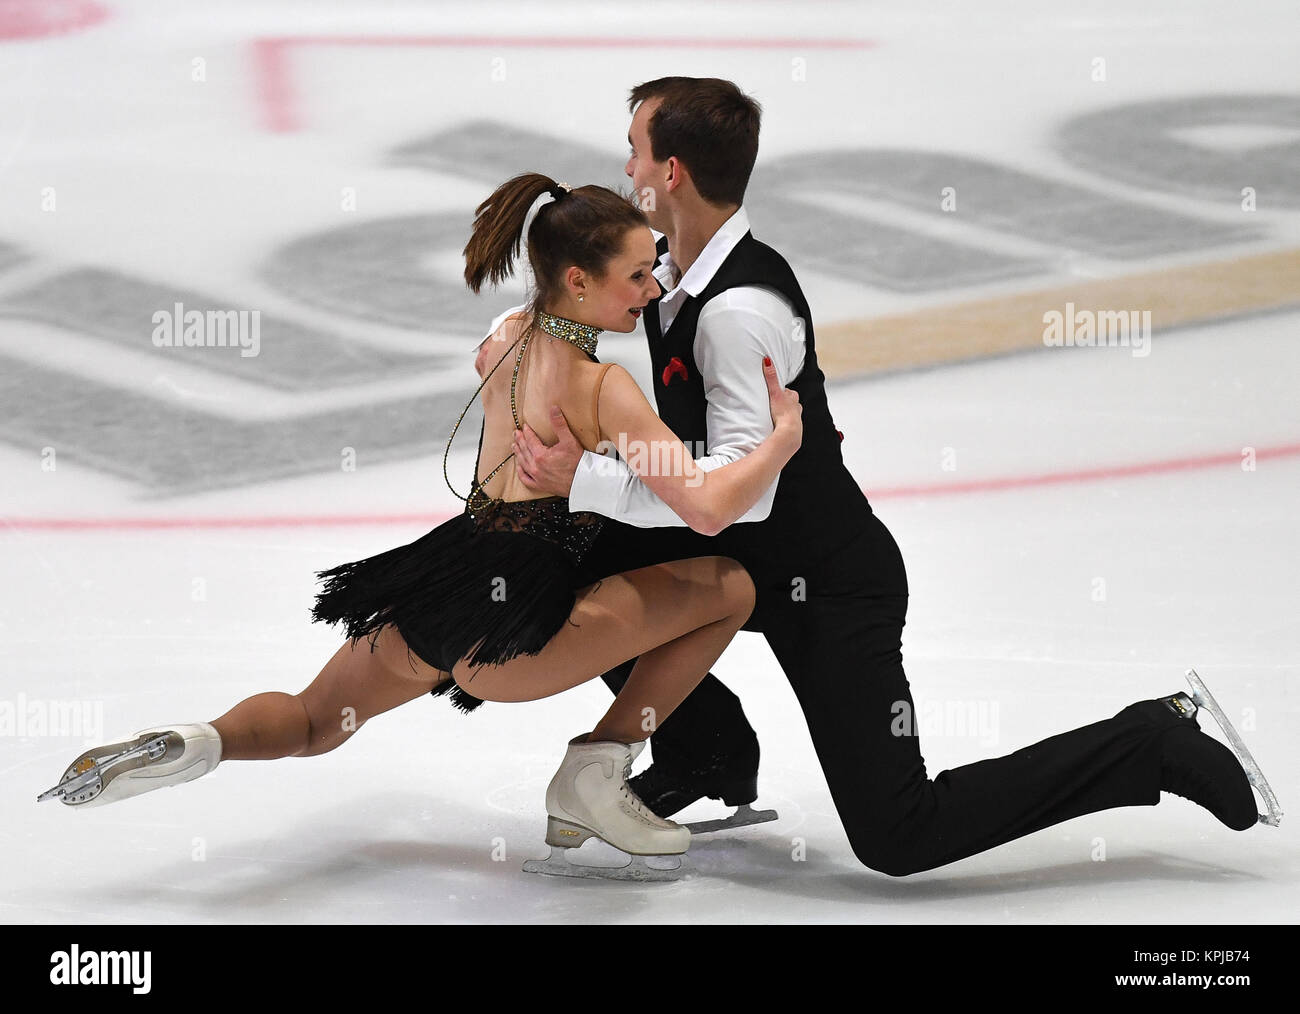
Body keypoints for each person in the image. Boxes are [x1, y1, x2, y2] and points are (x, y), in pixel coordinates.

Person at [509, 76, 1275, 877]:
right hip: (734, 562)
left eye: (635, 152)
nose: (625, 169)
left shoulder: (738, 314)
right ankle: (706, 750)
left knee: (900, 835)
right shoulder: (663, 272)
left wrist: (585, 482)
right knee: (554, 570)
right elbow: (576, 305)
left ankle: (1147, 742)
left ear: (672, 173)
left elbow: (739, 496)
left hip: (826, 579)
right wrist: (508, 342)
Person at [36, 172, 805, 869]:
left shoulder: (507, 340)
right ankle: (595, 771)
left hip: (447, 583)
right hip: (518, 628)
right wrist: (778, 445)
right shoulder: (606, 389)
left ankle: (200, 741)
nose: (651, 289)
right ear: (579, 279)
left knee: (313, 721)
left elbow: (493, 349)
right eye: (637, 274)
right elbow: (704, 507)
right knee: (730, 586)